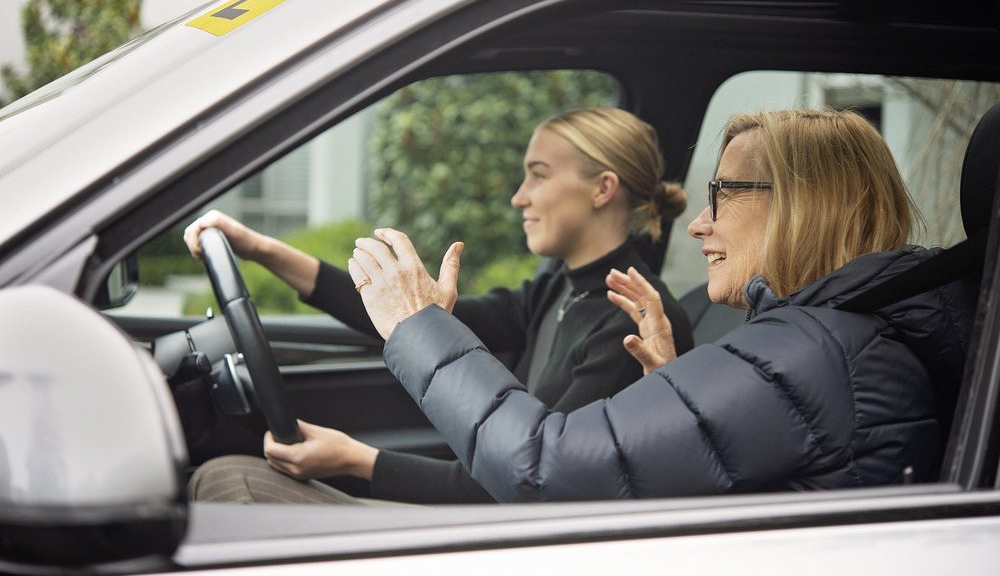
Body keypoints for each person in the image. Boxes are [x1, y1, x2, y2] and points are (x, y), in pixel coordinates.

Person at [350, 108, 978, 502]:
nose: (700, 224)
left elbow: (541, 466)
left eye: (724, 194)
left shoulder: (811, 350)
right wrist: (674, 388)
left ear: (800, 204)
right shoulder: (843, 338)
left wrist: (415, 323)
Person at [184, 107, 694, 504]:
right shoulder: (560, 290)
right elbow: (405, 321)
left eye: (538, 175)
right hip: (479, 507)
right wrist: (259, 248)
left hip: (504, 538)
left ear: (603, 188)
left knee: (230, 483)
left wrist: (353, 459)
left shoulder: (634, 322)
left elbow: (529, 483)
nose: (520, 197)